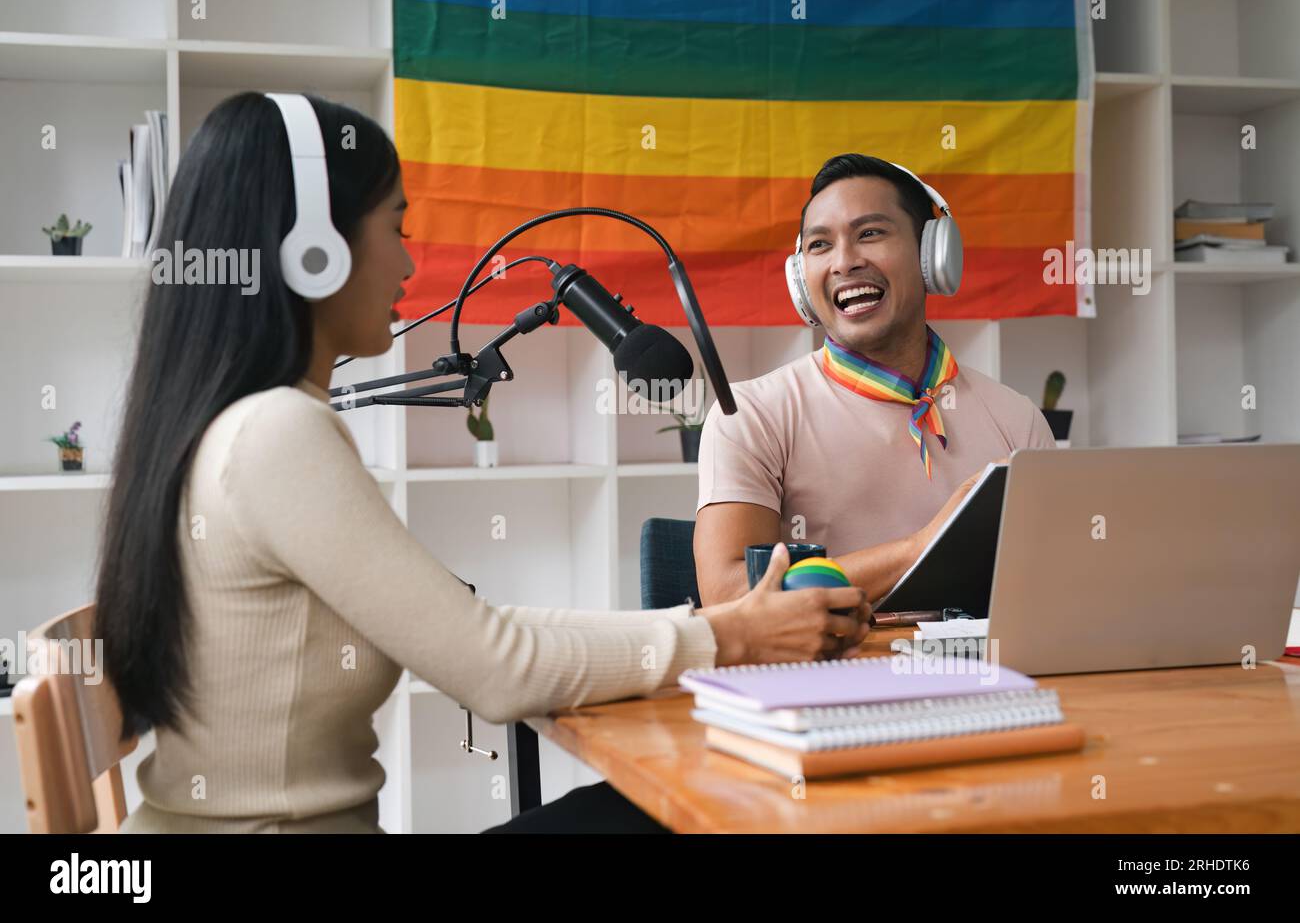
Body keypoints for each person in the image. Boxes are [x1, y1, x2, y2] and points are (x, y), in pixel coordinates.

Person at [94, 93, 865, 833]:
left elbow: (477, 633)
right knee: (685, 812)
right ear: (315, 249)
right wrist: (730, 638)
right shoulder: (275, 434)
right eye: (394, 227)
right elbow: (496, 670)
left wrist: (717, 626)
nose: (408, 261)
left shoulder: (227, 425)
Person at [694, 154, 1055, 608]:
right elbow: (728, 597)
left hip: (980, 674)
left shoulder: (1016, 422)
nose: (844, 262)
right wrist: (921, 548)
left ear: (932, 255)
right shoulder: (751, 415)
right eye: (820, 245)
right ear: (801, 281)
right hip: (823, 677)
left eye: (869, 234)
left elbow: (1052, 588)